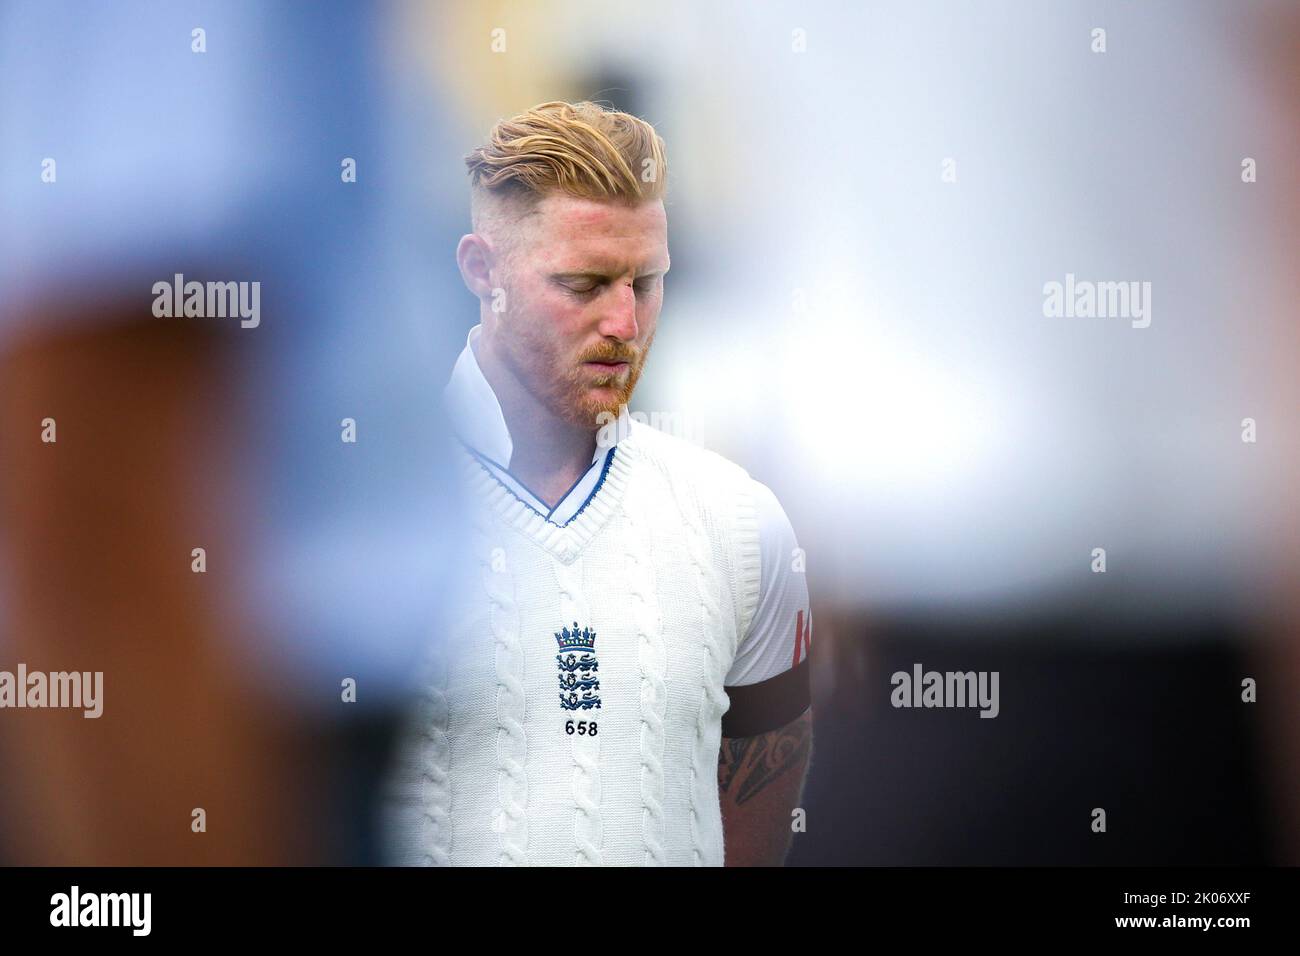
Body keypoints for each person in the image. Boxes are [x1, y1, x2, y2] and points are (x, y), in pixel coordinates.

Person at [386, 100, 813, 866]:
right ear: (482, 272)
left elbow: (759, 810)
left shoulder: (743, 526)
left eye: (646, 282)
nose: (625, 320)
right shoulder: (379, 513)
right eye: (583, 283)